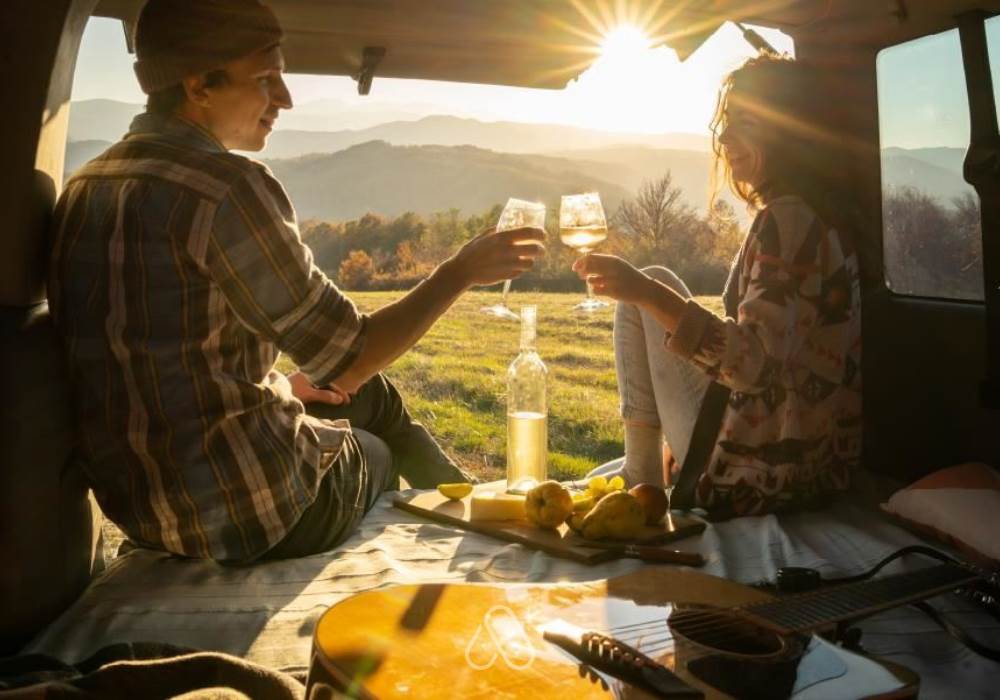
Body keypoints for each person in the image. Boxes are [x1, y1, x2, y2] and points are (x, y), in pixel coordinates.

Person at [47, 0, 544, 563]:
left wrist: (283, 383)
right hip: (250, 514)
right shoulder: (226, 188)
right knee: (377, 444)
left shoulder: (87, 185)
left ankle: (478, 507)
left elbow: (156, 350)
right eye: (266, 78)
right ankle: (489, 533)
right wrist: (460, 271)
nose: (284, 98)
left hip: (146, 508)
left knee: (364, 394)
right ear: (199, 86)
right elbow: (352, 356)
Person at [574, 55, 861, 518]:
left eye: (745, 123)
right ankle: (644, 467)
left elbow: (751, 366)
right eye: (727, 123)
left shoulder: (787, 220)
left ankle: (641, 474)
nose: (725, 138)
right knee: (653, 284)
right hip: (811, 464)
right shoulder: (818, 215)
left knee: (647, 290)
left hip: (764, 474)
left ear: (788, 132)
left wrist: (644, 293)